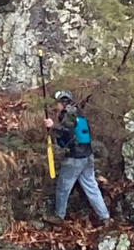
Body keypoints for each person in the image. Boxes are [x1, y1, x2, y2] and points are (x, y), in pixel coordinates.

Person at [45, 90, 110, 224]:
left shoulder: (67, 115)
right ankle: (105, 217)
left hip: (75, 158)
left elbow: (68, 131)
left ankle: (59, 216)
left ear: (61, 103)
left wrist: (53, 126)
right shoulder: (80, 113)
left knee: (63, 187)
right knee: (91, 186)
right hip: (87, 156)